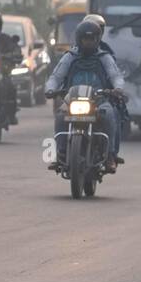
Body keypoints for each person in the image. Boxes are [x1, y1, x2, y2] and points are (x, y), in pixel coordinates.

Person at [45, 13, 127, 174]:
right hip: (72, 99)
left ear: (98, 39)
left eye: (92, 39)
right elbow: (56, 76)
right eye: (85, 39)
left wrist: (118, 89)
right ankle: (61, 151)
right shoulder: (70, 57)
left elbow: (115, 76)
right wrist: (50, 89)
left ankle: (110, 155)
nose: (88, 43)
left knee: (110, 114)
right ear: (79, 39)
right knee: (61, 115)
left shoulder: (104, 57)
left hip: (99, 100)